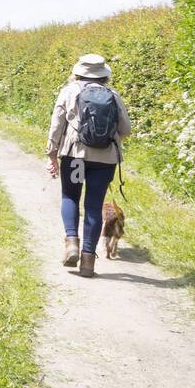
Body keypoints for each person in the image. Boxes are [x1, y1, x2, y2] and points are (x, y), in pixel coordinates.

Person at [46, 53, 132, 277]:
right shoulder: (113, 94)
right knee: (94, 206)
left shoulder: (69, 92)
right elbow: (126, 130)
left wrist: (52, 154)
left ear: (78, 72)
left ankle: (72, 243)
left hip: (75, 156)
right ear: (104, 75)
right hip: (104, 161)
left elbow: (57, 125)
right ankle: (87, 262)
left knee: (71, 197)